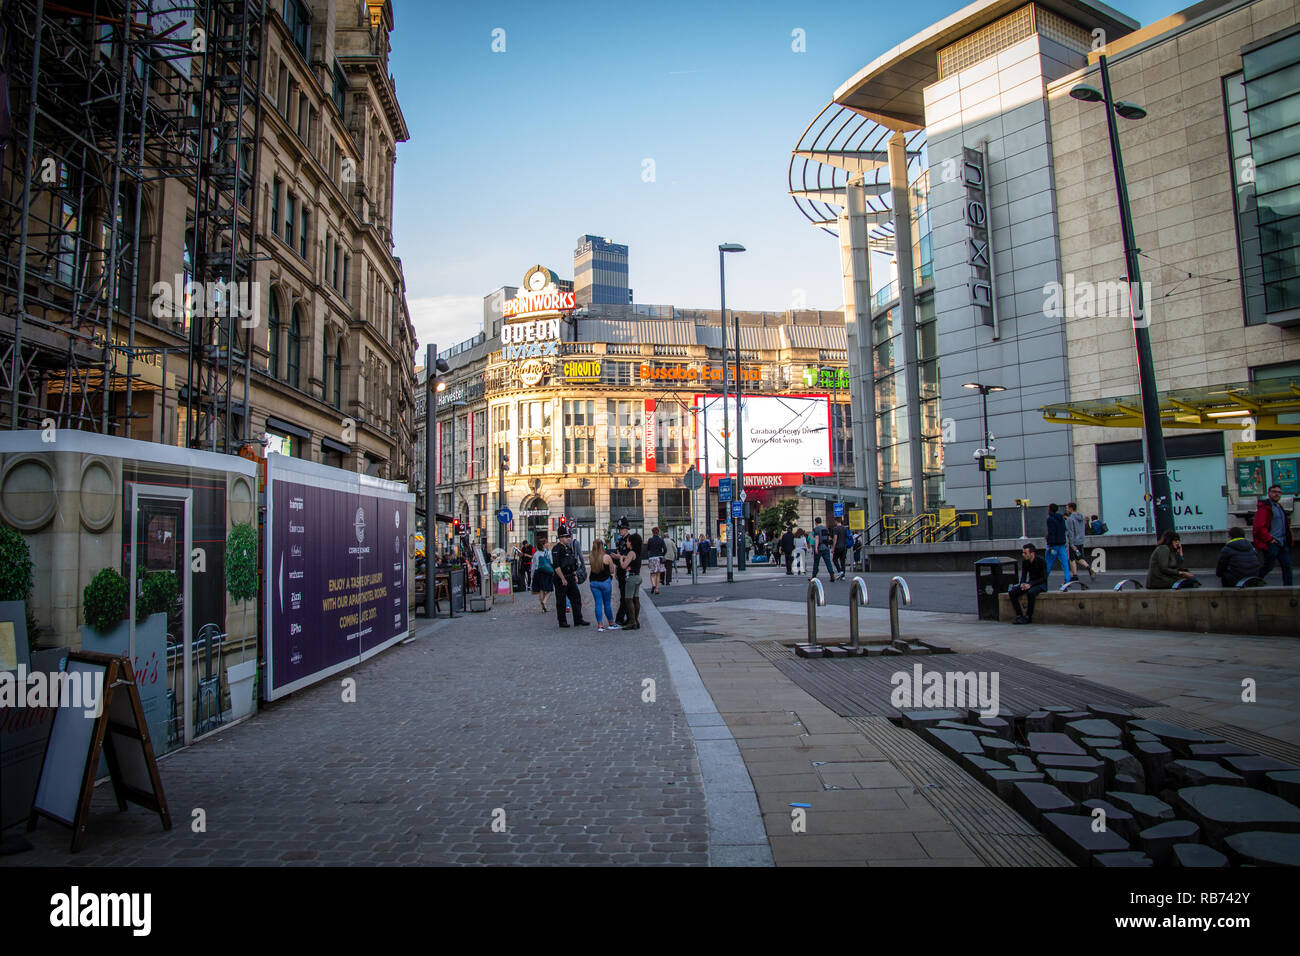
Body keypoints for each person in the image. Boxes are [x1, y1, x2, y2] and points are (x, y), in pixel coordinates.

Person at [1253, 484, 1294, 586]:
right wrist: (1269, 539)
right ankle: (1252, 582)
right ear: (1269, 493)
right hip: (1271, 543)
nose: (1277, 494)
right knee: (1269, 566)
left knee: (1287, 566)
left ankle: (1289, 588)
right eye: (1274, 492)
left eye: (1279, 492)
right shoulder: (1265, 508)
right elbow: (1259, 527)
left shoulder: (1279, 507)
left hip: (1282, 542)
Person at [551, 525, 590, 627]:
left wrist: (575, 575)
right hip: (561, 578)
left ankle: (578, 619)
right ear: (561, 538)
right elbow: (556, 566)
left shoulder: (568, 548)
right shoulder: (556, 549)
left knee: (576, 598)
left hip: (570, 576)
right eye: (566, 537)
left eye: (569, 536)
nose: (569, 538)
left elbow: (572, 563)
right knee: (561, 601)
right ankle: (562, 621)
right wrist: (562, 578)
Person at [1009, 543, 1048, 624]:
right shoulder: (1025, 562)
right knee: (1012, 592)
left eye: (1025, 553)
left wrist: (1030, 584)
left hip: (1041, 584)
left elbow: (1044, 578)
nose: (1023, 555)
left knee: (1031, 593)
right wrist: (1022, 584)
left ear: (1032, 553)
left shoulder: (1041, 561)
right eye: (1023, 552)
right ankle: (1019, 615)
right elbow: (1023, 575)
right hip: (1030, 583)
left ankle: (1028, 617)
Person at [587, 539, 621, 632]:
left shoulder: (591, 556)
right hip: (605, 581)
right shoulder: (606, 557)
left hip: (593, 582)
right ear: (603, 546)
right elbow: (612, 570)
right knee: (607, 603)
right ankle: (611, 623)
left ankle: (600, 625)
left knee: (598, 603)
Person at [616, 517, 643, 630]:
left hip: (630, 576)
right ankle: (634, 620)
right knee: (635, 598)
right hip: (635, 575)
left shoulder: (631, 551)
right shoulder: (635, 551)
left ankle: (631, 621)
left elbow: (624, 565)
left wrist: (620, 558)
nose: (620, 531)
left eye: (621, 529)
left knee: (628, 599)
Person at [1044, 503, 1072, 585]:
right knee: (1065, 564)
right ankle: (1067, 580)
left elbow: (1052, 532)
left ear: (1050, 509)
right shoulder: (1061, 518)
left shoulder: (1050, 519)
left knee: (1048, 563)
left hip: (1053, 545)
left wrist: (1050, 545)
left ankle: (1043, 580)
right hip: (1062, 544)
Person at [1065, 502, 1092, 582]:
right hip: (1081, 540)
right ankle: (1088, 567)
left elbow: (1071, 532)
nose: (1066, 509)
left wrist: (1071, 543)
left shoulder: (1070, 519)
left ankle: (1075, 575)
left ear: (1071, 508)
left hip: (1073, 541)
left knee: (1072, 558)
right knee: (1079, 557)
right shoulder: (1081, 518)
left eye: (1067, 508)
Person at [530, 537, 554, 613]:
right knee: (550, 590)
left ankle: (543, 607)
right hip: (546, 573)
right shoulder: (548, 552)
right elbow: (552, 562)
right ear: (544, 545)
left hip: (538, 572)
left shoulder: (536, 554)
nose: (548, 544)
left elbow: (533, 565)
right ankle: (544, 601)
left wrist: (532, 575)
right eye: (546, 543)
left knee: (541, 590)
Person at [810, 516, 834, 582]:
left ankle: (814, 576)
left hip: (819, 547)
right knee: (828, 562)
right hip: (826, 547)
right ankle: (832, 574)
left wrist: (816, 548)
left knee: (816, 562)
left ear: (815, 522)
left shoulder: (816, 529)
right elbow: (829, 538)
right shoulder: (826, 528)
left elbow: (817, 538)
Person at [645, 526, 666, 595]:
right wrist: (662, 554)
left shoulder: (650, 540)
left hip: (652, 558)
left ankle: (653, 584)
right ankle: (657, 589)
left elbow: (647, 549)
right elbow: (665, 549)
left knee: (652, 573)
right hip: (659, 557)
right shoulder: (661, 540)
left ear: (652, 532)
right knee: (658, 574)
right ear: (658, 532)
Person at [831, 516, 849, 581]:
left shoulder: (836, 529)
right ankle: (843, 576)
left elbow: (835, 538)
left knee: (834, 559)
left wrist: (833, 547)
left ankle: (840, 571)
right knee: (842, 561)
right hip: (844, 546)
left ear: (836, 521)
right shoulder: (844, 528)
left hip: (838, 546)